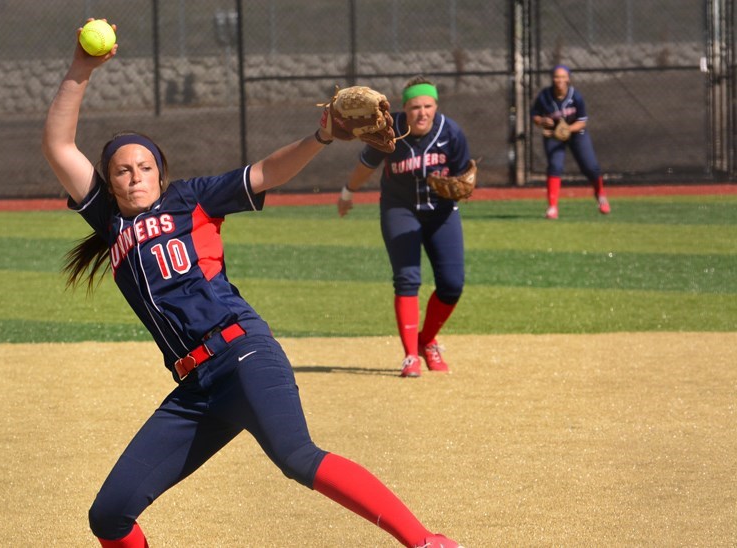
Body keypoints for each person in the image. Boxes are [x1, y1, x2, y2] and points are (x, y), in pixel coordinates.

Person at [42, 21, 463, 548]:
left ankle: (427, 541)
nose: (133, 176)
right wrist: (82, 66)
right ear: (109, 181)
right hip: (196, 388)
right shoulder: (110, 221)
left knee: (296, 456)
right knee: (109, 515)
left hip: (242, 353)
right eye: (121, 170)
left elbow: (266, 172)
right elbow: (58, 143)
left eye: (145, 166)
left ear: (160, 173)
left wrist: (322, 135)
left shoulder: (191, 198)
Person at [336, 77, 471, 379]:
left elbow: (464, 177)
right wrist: (347, 192)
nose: (421, 112)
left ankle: (427, 340)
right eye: (414, 107)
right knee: (407, 278)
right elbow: (365, 167)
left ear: (435, 106)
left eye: (427, 106)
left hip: (441, 212)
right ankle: (411, 355)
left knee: (452, 284)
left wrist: (459, 187)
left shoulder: (451, 133)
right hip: (400, 209)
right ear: (405, 108)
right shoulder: (389, 131)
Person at [531, 64, 611, 219]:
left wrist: (567, 129)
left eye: (563, 76)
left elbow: (582, 122)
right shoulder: (544, 96)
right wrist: (541, 121)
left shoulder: (575, 96)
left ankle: (601, 195)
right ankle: (552, 208)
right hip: (553, 135)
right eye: (556, 76)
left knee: (591, 166)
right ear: (552, 79)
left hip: (577, 133)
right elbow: (535, 115)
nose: (560, 80)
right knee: (555, 166)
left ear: (568, 79)